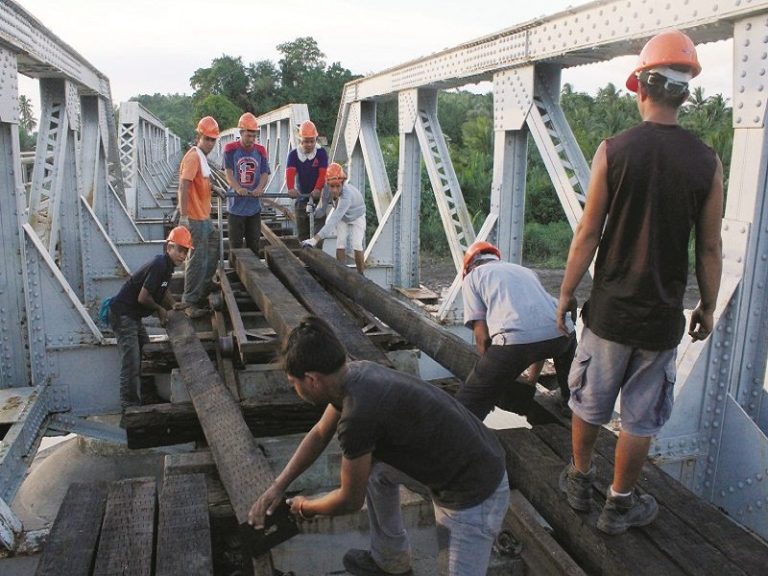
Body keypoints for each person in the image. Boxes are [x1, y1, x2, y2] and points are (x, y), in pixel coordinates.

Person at [556, 30, 723, 535]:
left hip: (609, 312)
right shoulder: (707, 161)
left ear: (640, 88)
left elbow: (589, 232)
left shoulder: (614, 149)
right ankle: (620, 503)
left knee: (589, 399)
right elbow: (710, 247)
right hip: (660, 317)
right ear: (685, 93)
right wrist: (708, 305)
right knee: (640, 418)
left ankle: (580, 480)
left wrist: (565, 291)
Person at [248, 316, 509, 576]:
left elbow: (350, 501)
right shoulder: (356, 373)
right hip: (466, 457)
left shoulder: (357, 415)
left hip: (473, 488)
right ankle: (390, 561)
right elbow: (318, 434)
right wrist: (278, 487)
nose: (294, 388)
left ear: (312, 379)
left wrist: (306, 507)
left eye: (294, 383)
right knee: (374, 470)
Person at [457, 241, 576, 421]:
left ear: (468, 267)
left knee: (467, 405)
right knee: (562, 341)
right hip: (561, 336)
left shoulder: (473, 277)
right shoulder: (525, 271)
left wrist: (488, 375)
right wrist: (531, 381)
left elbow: (482, 337)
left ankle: (463, 435)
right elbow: (539, 330)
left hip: (514, 344)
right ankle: (569, 401)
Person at [108, 226, 193, 407]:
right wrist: (160, 310)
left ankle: (147, 396)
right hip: (123, 315)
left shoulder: (167, 267)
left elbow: (163, 288)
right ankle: (129, 406)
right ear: (169, 247)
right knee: (131, 362)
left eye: (185, 252)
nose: (182, 256)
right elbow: (143, 298)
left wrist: (172, 304)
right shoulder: (160, 264)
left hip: (133, 316)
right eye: (180, 250)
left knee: (147, 354)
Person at [178, 116, 220, 319]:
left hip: (204, 216)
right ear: (199, 137)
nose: (210, 143)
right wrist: (184, 216)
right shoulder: (194, 156)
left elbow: (202, 181)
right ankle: (190, 301)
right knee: (196, 258)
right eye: (207, 139)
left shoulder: (202, 158)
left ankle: (206, 283)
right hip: (195, 217)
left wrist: (214, 188)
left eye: (213, 140)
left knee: (214, 242)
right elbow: (184, 185)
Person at [301, 163, 366, 274]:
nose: (334, 190)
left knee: (357, 245)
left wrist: (314, 239)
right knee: (340, 243)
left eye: (337, 186)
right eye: (332, 186)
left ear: (343, 183)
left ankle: (361, 274)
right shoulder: (326, 190)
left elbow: (333, 220)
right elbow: (321, 210)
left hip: (357, 215)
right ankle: (342, 274)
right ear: (327, 184)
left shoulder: (347, 195)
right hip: (343, 216)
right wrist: (312, 211)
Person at [224, 112, 270, 254]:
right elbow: (228, 172)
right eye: (248, 135)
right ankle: (235, 271)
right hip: (235, 206)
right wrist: (237, 188)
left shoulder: (261, 150)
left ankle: (253, 273)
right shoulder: (230, 149)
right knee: (236, 245)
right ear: (241, 132)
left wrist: (260, 187)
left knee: (254, 243)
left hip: (253, 206)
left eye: (254, 135)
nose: (251, 139)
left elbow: (264, 172)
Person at [286, 120, 328, 240]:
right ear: (301, 140)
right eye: (306, 141)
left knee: (318, 235)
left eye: (312, 141)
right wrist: (290, 188)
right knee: (302, 235)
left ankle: (317, 255)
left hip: (318, 198)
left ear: (316, 139)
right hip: (302, 197)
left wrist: (317, 188)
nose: (309, 144)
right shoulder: (294, 154)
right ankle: (303, 256)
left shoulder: (321, 153)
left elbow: (323, 173)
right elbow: (290, 172)